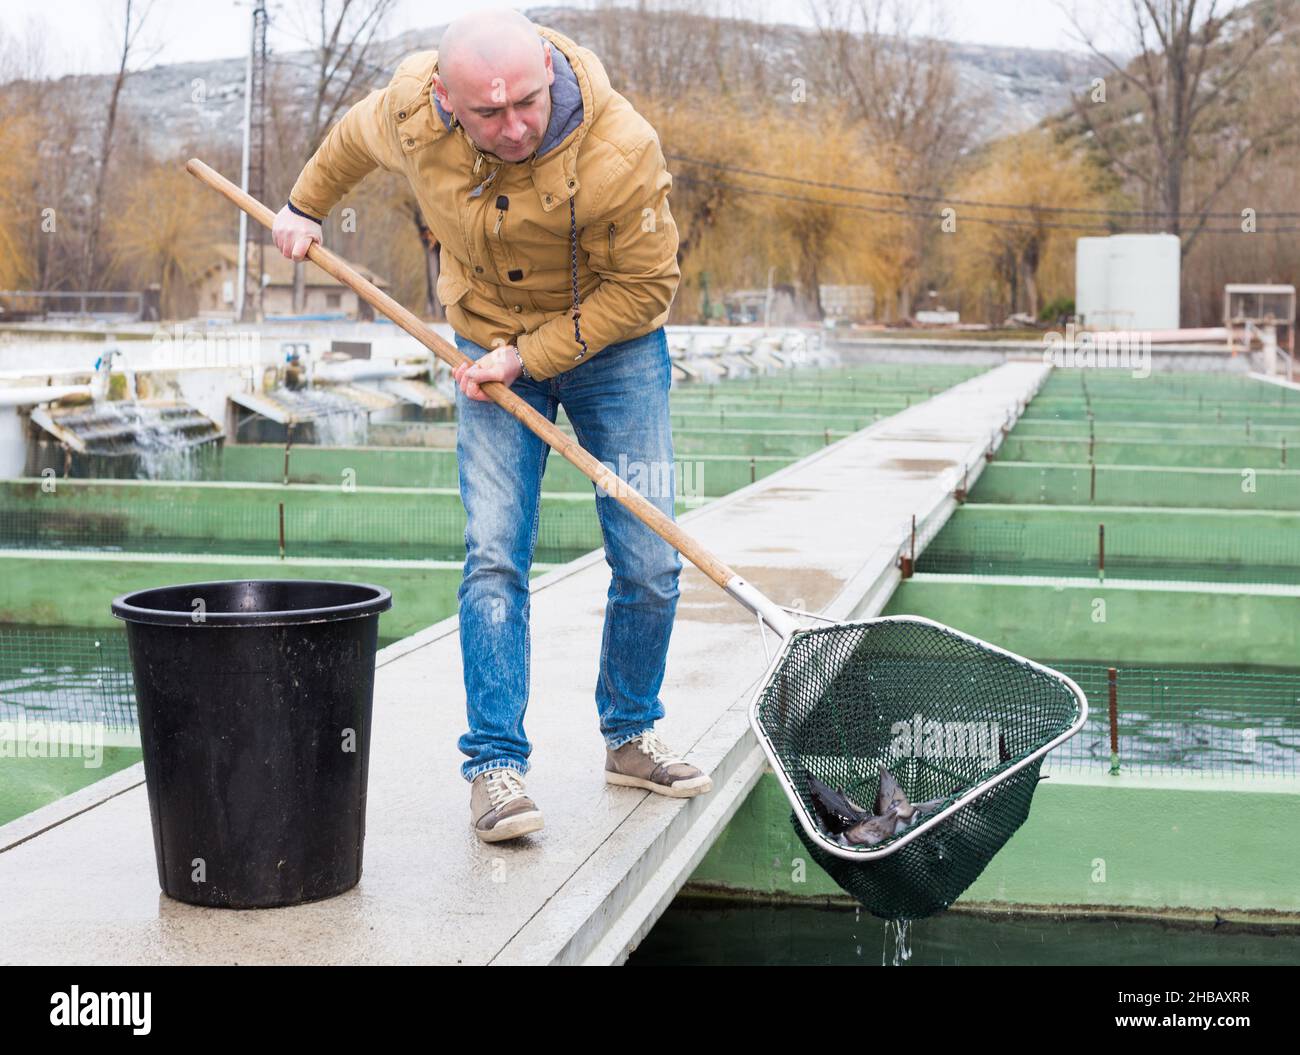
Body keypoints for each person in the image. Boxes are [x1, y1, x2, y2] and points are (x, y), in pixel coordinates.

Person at [271, 7, 712, 845]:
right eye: (488, 114)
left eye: (527, 107)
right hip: (483, 334)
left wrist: (530, 357)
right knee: (496, 549)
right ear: (446, 100)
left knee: (650, 554)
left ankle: (630, 731)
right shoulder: (411, 108)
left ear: (547, 69)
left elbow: (649, 288)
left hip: (612, 340)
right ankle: (497, 768)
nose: (513, 129)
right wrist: (303, 206)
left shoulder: (624, 148)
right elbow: (352, 140)